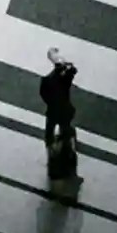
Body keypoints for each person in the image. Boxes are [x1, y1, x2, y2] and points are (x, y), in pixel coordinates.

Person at [40, 48, 82, 190]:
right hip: (64, 110)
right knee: (67, 130)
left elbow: (43, 94)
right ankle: (68, 155)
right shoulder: (65, 80)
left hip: (53, 110)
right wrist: (65, 63)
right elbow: (73, 70)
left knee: (49, 133)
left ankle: (52, 154)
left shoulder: (46, 80)